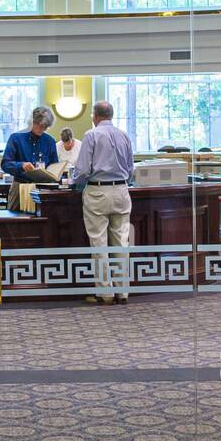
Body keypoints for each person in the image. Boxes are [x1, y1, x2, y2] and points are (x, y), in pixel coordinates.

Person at [72, 100, 134, 305]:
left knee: (99, 242)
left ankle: (105, 293)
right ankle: (123, 292)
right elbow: (131, 168)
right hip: (122, 190)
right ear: (112, 115)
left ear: (95, 116)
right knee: (122, 242)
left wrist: (75, 184)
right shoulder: (123, 134)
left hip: (98, 191)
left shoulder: (91, 135)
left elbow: (82, 171)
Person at [1, 106, 58, 211]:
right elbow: (5, 164)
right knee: (15, 222)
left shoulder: (50, 141)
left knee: (43, 222)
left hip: (43, 188)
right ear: (32, 122)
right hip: (20, 186)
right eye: (39, 125)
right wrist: (21, 165)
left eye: (45, 127)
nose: (42, 129)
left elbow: (54, 166)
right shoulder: (16, 138)